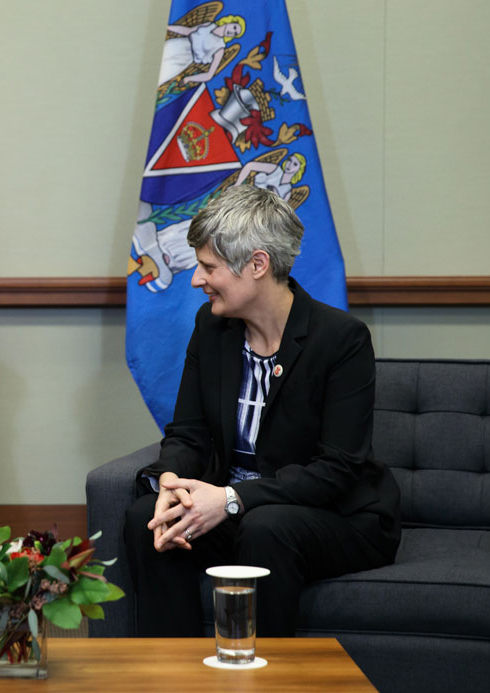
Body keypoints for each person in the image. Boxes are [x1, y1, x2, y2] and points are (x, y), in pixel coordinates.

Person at [123, 184, 401, 637]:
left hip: (335, 516)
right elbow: (189, 432)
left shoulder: (341, 340)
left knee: (266, 528)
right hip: (246, 511)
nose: (196, 280)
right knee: (147, 520)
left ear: (257, 265)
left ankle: (263, 680)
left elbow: (337, 469)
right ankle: (172, 675)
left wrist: (231, 499)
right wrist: (171, 483)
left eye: (209, 267)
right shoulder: (212, 328)